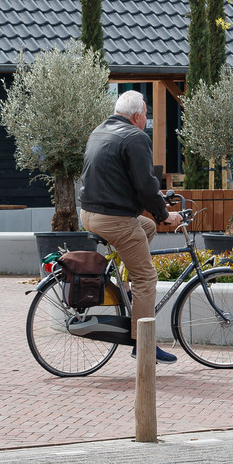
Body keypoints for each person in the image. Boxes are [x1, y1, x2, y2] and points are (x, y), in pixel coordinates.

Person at [79, 90, 184, 363]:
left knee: (146, 227)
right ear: (137, 115)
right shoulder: (136, 137)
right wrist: (165, 216)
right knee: (147, 277)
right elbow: (145, 185)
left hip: (89, 213)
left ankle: (125, 287)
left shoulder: (99, 131)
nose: (146, 120)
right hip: (114, 220)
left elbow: (120, 180)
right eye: (146, 115)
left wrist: (155, 212)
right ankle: (143, 344)